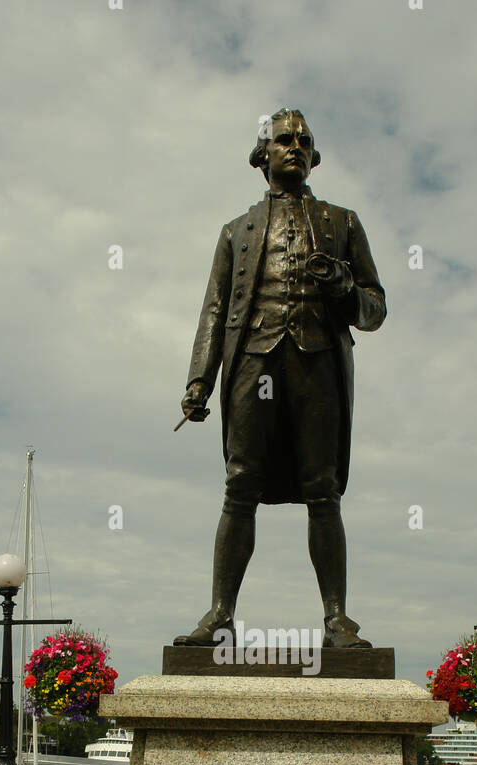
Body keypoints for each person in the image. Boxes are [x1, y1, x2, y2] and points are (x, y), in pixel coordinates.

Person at [174, 107, 386, 649]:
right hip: (253, 358)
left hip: (317, 361)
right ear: (261, 156)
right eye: (283, 139)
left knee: (324, 489)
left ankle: (337, 618)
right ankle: (220, 613)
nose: (294, 146)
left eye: (304, 141)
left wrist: (341, 284)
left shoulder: (345, 222)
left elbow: (374, 309)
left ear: (314, 158)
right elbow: (214, 311)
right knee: (239, 484)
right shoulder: (235, 231)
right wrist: (199, 379)